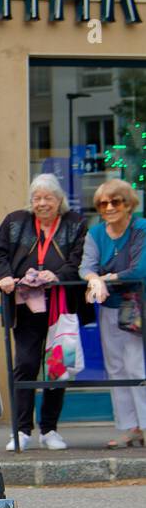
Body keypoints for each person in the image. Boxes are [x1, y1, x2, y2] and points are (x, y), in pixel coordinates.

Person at [0, 173, 88, 451]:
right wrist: (4, 277)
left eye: (48, 198)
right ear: (31, 200)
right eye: (37, 198)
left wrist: (56, 275)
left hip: (62, 307)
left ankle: (50, 429)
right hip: (25, 306)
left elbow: (79, 259)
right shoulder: (15, 221)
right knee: (26, 365)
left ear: (60, 200)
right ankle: (21, 431)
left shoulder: (76, 223)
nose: (42, 203)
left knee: (58, 367)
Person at [80, 179, 146, 449]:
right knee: (116, 369)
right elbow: (86, 266)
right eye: (103, 203)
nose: (109, 207)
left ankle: (145, 424)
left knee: (135, 366)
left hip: (137, 307)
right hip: (109, 308)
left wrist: (108, 277)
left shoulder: (140, 228)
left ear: (128, 204)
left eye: (115, 201)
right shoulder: (96, 233)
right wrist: (95, 279)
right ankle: (129, 427)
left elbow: (140, 269)